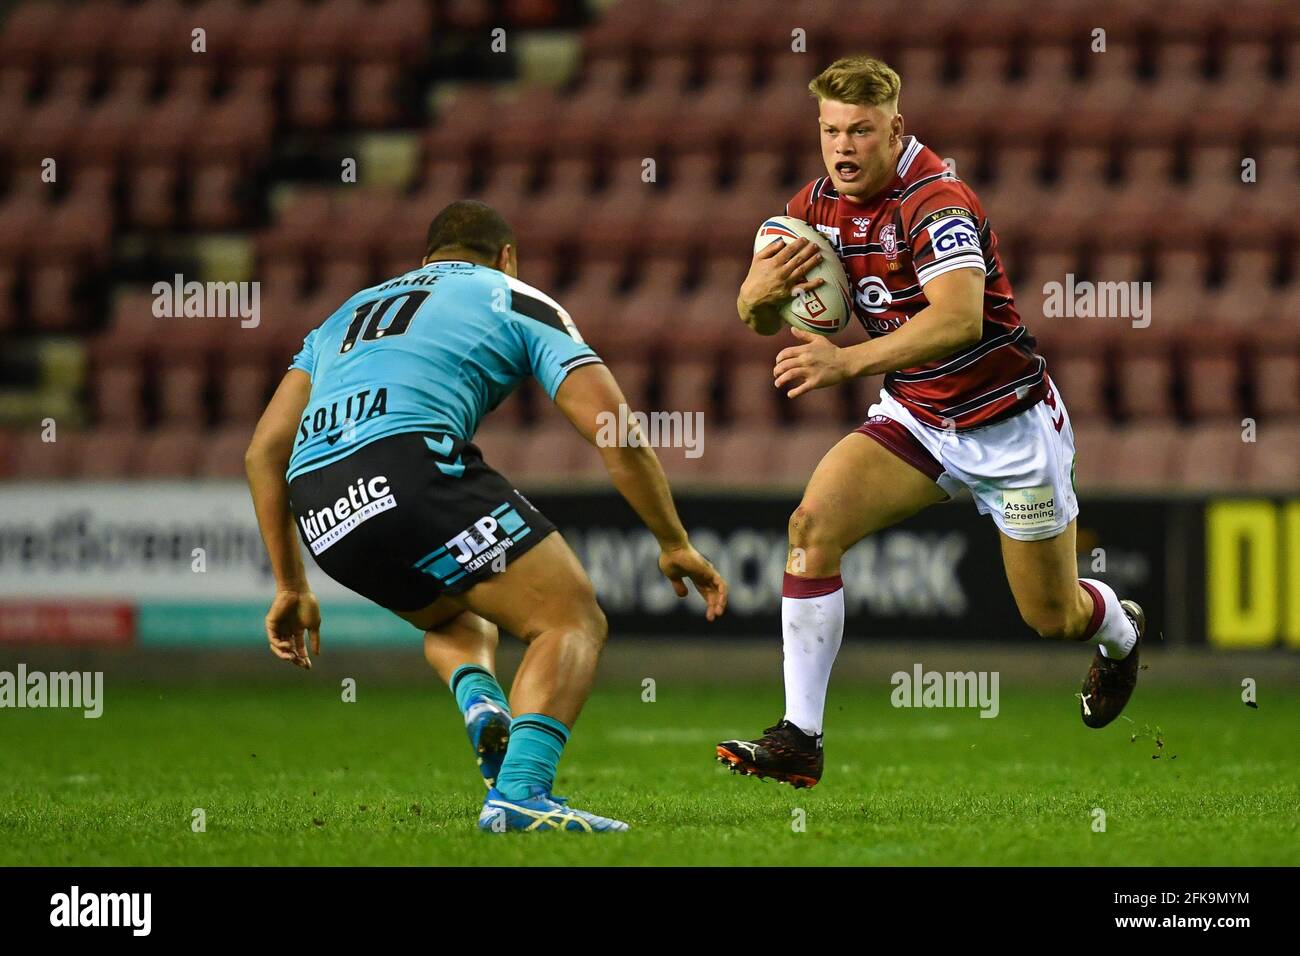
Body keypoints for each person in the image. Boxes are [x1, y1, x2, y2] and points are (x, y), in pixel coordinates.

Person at [716, 56, 1144, 789]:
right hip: (918, 417)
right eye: (829, 131)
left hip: (1009, 429)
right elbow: (759, 318)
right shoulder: (813, 208)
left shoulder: (935, 200)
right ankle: (800, 738)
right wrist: (754, 295)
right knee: (811, 527)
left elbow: (957, 319)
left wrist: (847, 364)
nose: (842, 147)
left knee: (1053, 616)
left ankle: (1119, 630)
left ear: (896, 128)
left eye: (859, 130)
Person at [245, 199, 728, 829]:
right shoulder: (513, 294)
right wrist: (672, 539)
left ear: (423, 262)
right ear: (507, 256)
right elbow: (614, 428)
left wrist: (290, 584)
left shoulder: (343, 316)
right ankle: (520, 797)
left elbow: (262, 453)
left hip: (323, 507)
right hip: (409, 465)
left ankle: (481, 702)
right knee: (570, 619)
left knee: (454, 617)